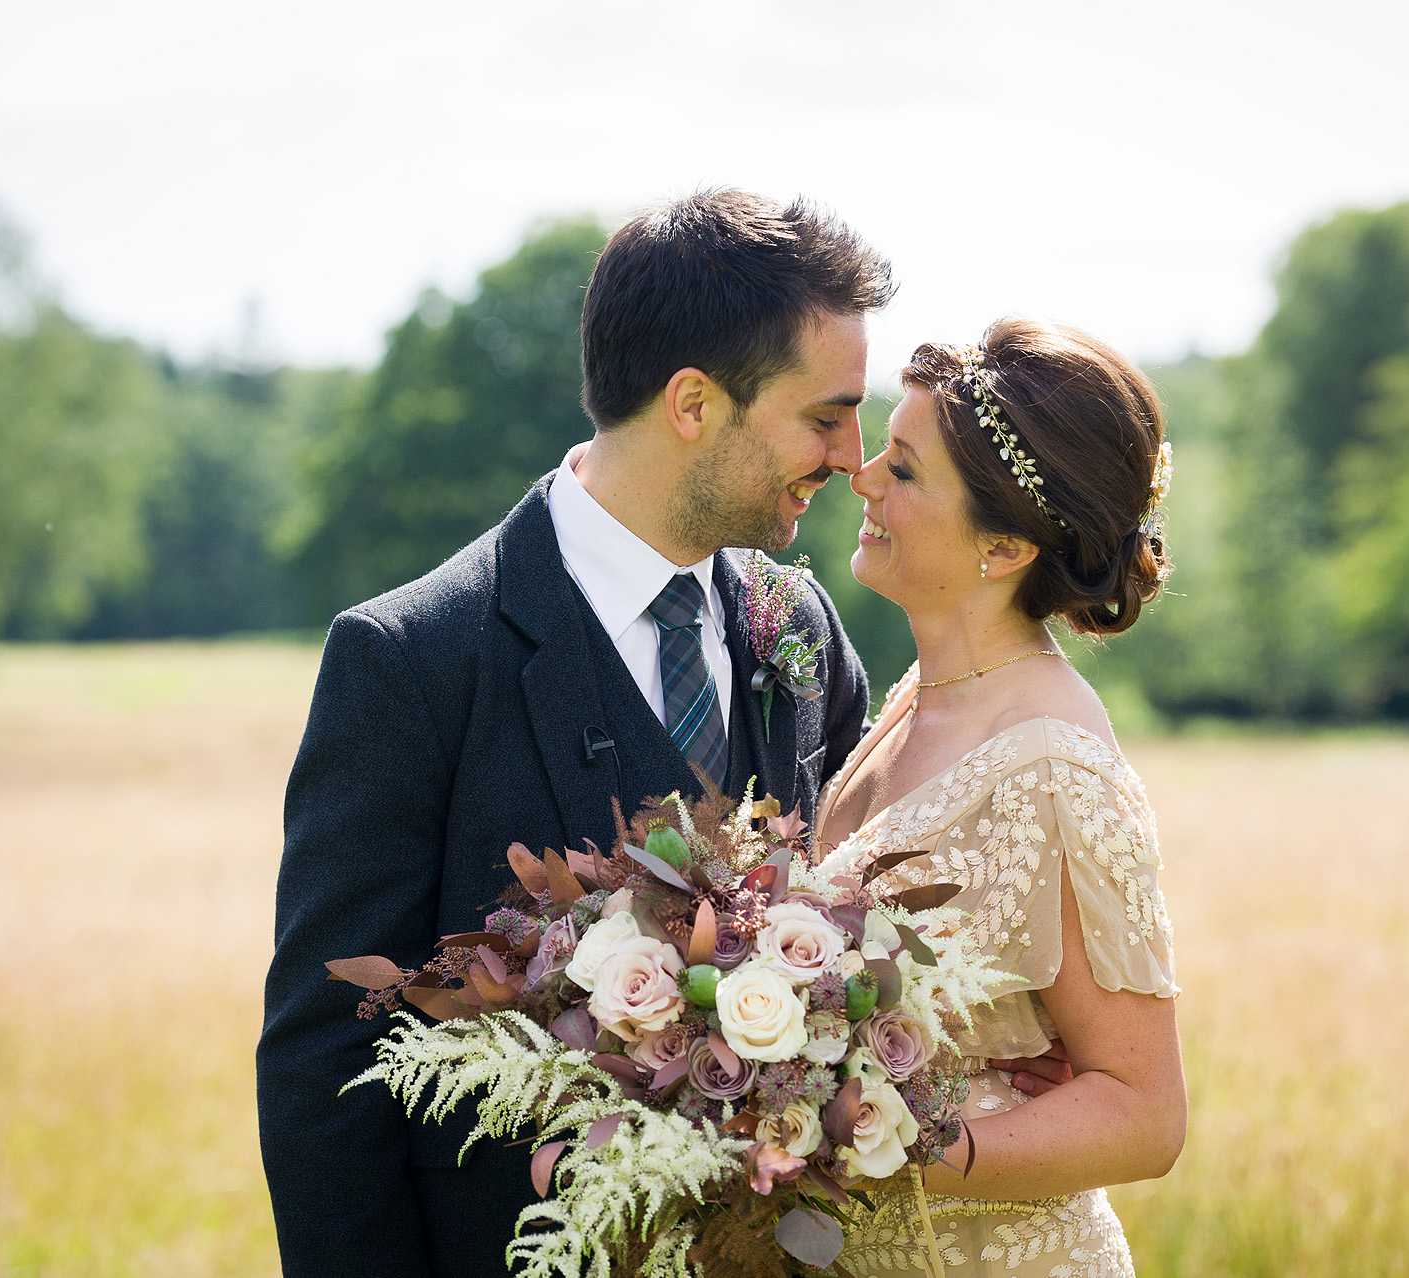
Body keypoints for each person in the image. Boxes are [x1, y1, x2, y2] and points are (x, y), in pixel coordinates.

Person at [255, 189, 893, 1276]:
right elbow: (329, 1064)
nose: (853, 456)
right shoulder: (412, 660)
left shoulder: (803, 632)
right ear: (693, 403)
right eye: (826, 415)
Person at [820, 320, 1187, 1277]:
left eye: (902, 471)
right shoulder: (916, 696)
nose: (863, 480)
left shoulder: (1055, 762)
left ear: (1006, 543)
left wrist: (915, 1153)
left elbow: (1145, 1112)